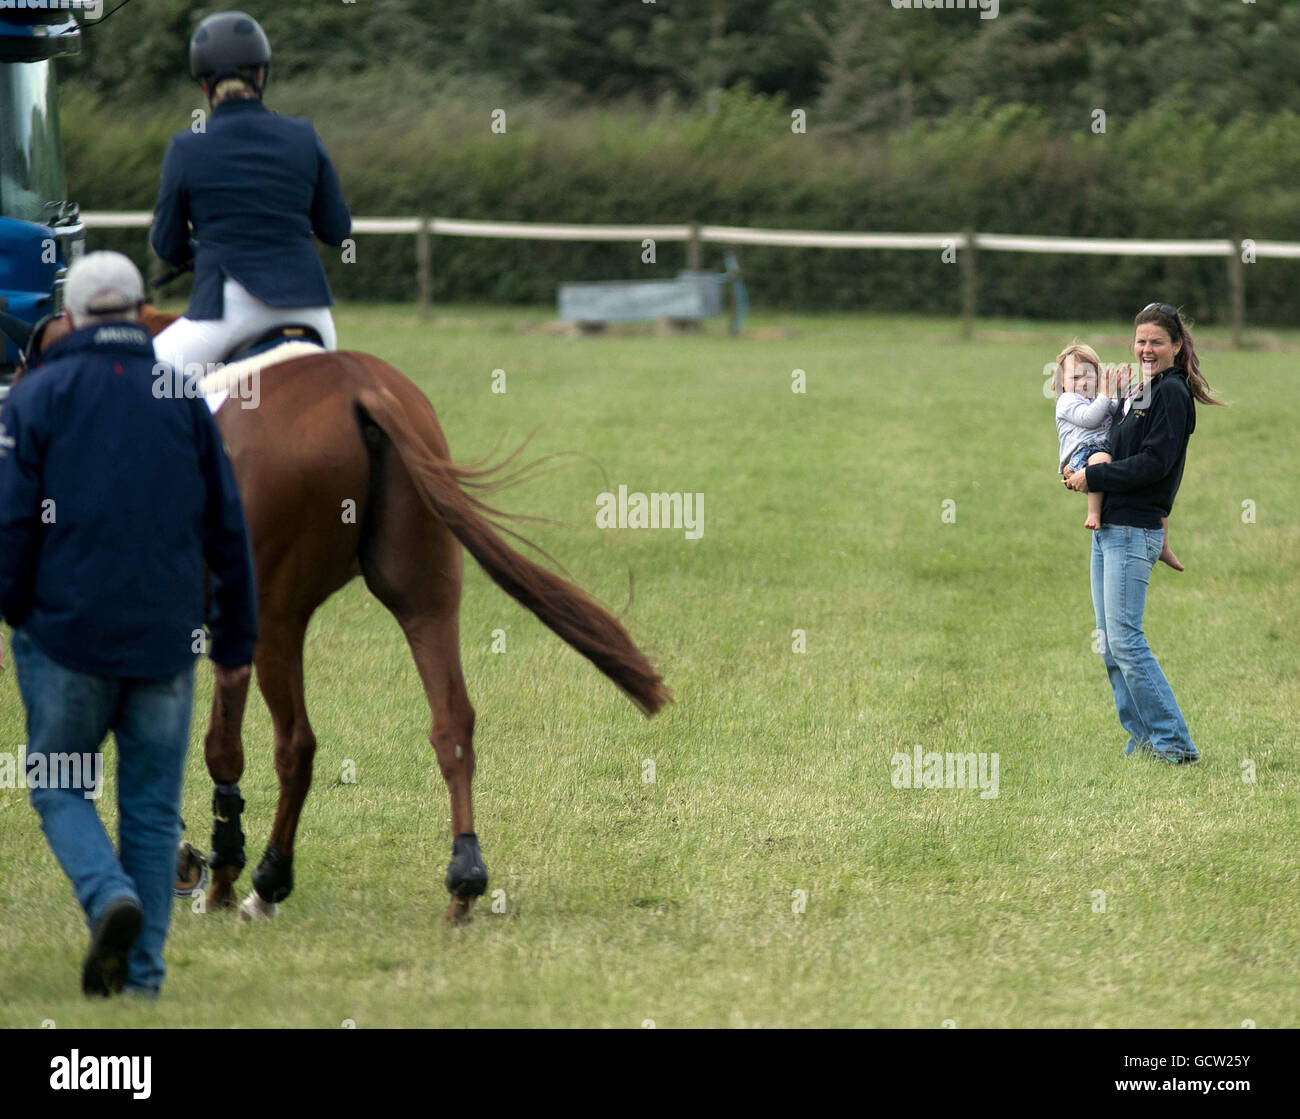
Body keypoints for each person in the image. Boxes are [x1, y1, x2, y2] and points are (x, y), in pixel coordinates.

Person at [0, 251, 257, 997]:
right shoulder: (182, 395)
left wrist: (19, 611)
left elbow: (13, 525)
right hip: (166, 641)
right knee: (151, 808)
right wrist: (234, 643)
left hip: (67, 636)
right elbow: (228, 526)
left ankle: (107, 894)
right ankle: (142, 981)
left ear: (72, 318)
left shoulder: (36, 395)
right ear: (142, 313)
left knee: (56, 782)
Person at [1064, 302, 1227, 765]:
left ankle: (1175, 744)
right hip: (1112, 527)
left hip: (1132, 529)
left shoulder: (1172, 395)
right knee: (1111, 643)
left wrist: (1094, 480)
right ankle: (1142, 740)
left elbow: (1157, 467)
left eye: (1157, 341)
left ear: (1177, 345)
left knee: (1127, 640)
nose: (1147, 348)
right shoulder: (1143, 390)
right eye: (1140, 341)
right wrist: (1080, 465)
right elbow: (1117, 451)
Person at [150, 9, 351, 378]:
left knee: (144, 380)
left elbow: (166, 243)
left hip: (227, 312)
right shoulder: (303, 135)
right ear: (260, 75)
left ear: (205, 86)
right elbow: (337, 230)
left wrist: (194, 255)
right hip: (312, 316)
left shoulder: (187, 147)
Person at [1053, 342, 1181, 570]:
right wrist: (1104, 394)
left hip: (1103, 446)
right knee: (1100, 463)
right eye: (1074, 378)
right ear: (1062, 382)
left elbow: (1121, 411)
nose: (1082, 383)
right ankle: (1093, 514)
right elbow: (1090, 418)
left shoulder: (1096, 397)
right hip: (1083, 452)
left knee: (1128, 462)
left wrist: (1120, 391)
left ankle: (1163, 543)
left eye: (1089, 377)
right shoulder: (1067, 401)